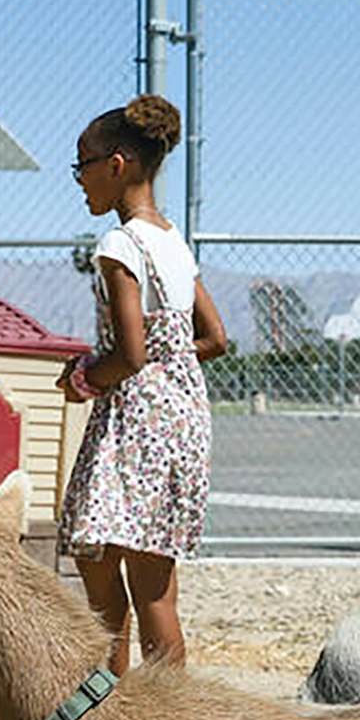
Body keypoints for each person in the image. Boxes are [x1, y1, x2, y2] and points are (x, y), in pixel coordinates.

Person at [55, 93, 228, 671]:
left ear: (116, 165)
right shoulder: (174, 243)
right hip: (181, 422)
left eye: (82, 165)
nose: (78, 180)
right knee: (156, 590)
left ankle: (117, 716)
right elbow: (215, 338)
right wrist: (163, 361)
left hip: (135, 429)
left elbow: (128, 354)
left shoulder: (120, 244)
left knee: (101, 578)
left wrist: (82, 377)